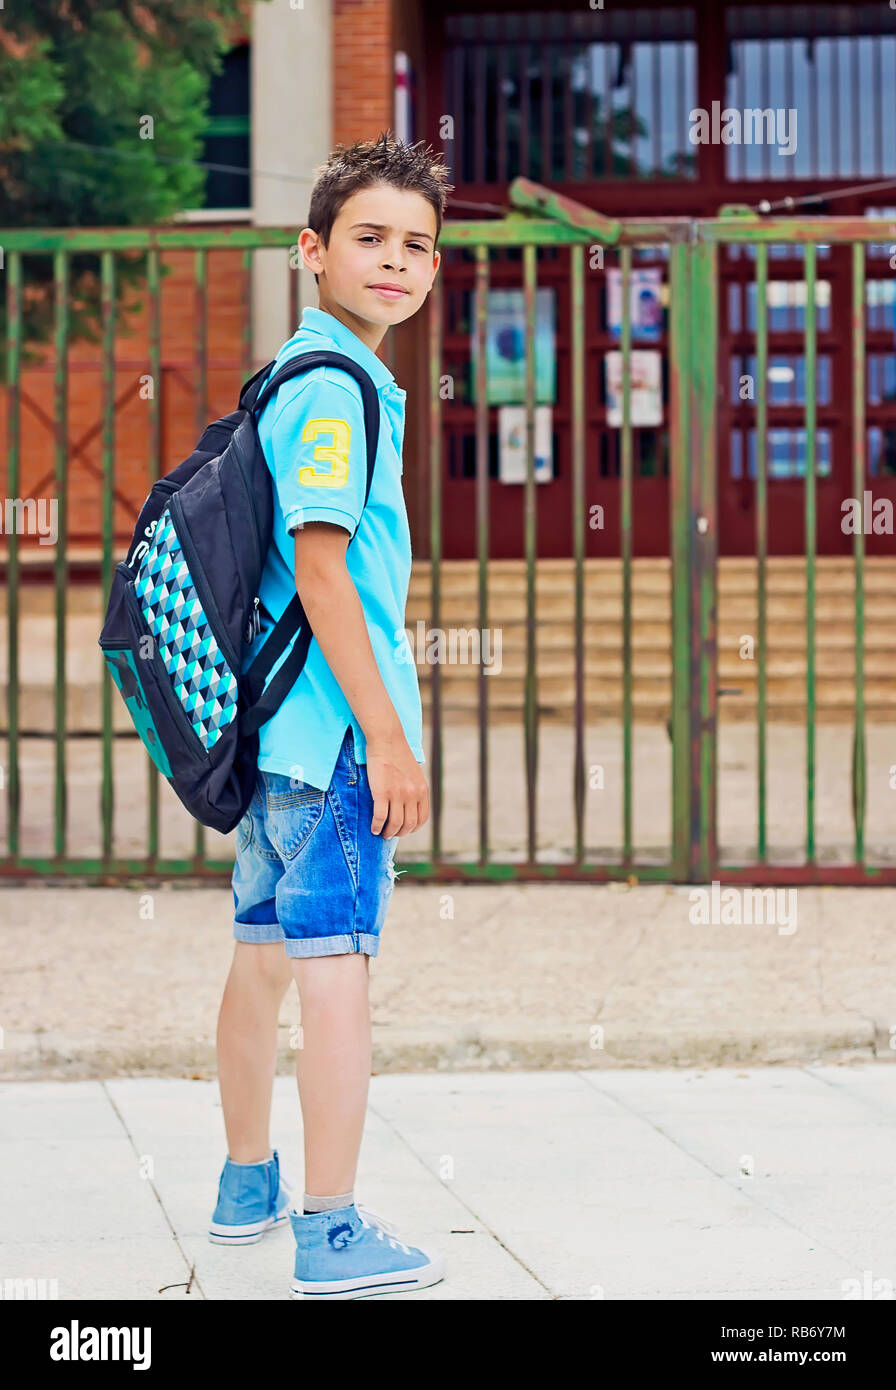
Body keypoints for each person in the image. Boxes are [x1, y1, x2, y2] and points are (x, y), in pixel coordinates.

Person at [208, 132, 453, 1299]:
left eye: (416, 245)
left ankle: (244, 1184)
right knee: (334, 970)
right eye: (369, 238)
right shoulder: (330, 388)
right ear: (312, 250)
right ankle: (332, 1228)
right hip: (332, 741)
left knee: (261, 957)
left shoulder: (301, 371)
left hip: (278, 742)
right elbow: (320, 571)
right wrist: (388, 738)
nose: (394, 261)